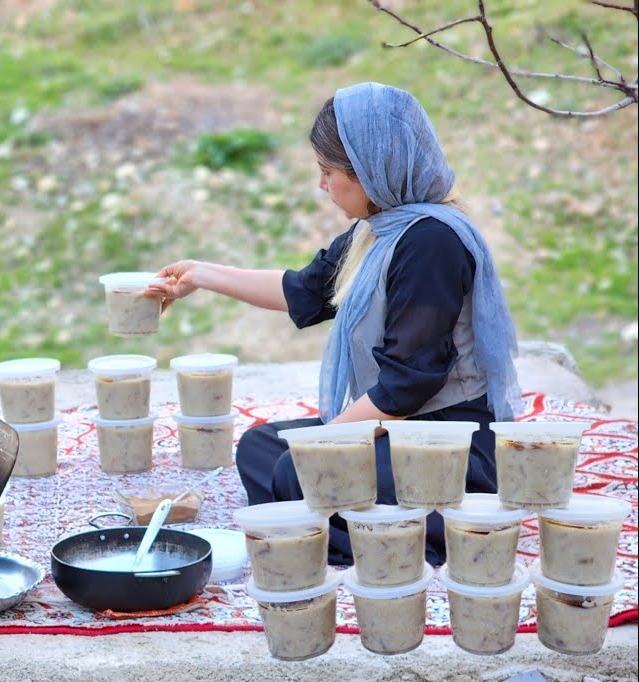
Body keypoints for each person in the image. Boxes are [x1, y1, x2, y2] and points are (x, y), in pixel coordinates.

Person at [146, 83, 521, 565]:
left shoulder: (431, 244)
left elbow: (408, 387)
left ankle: (413, 534)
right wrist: (199, 274)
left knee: (296, 469)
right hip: (402, 429)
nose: (322, 186)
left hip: (446, 445)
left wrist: (321, 444)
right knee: (262, 447)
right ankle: (343, 520)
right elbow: (303, 290)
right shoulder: (380, 228)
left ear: (371, 170)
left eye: (329, 172)